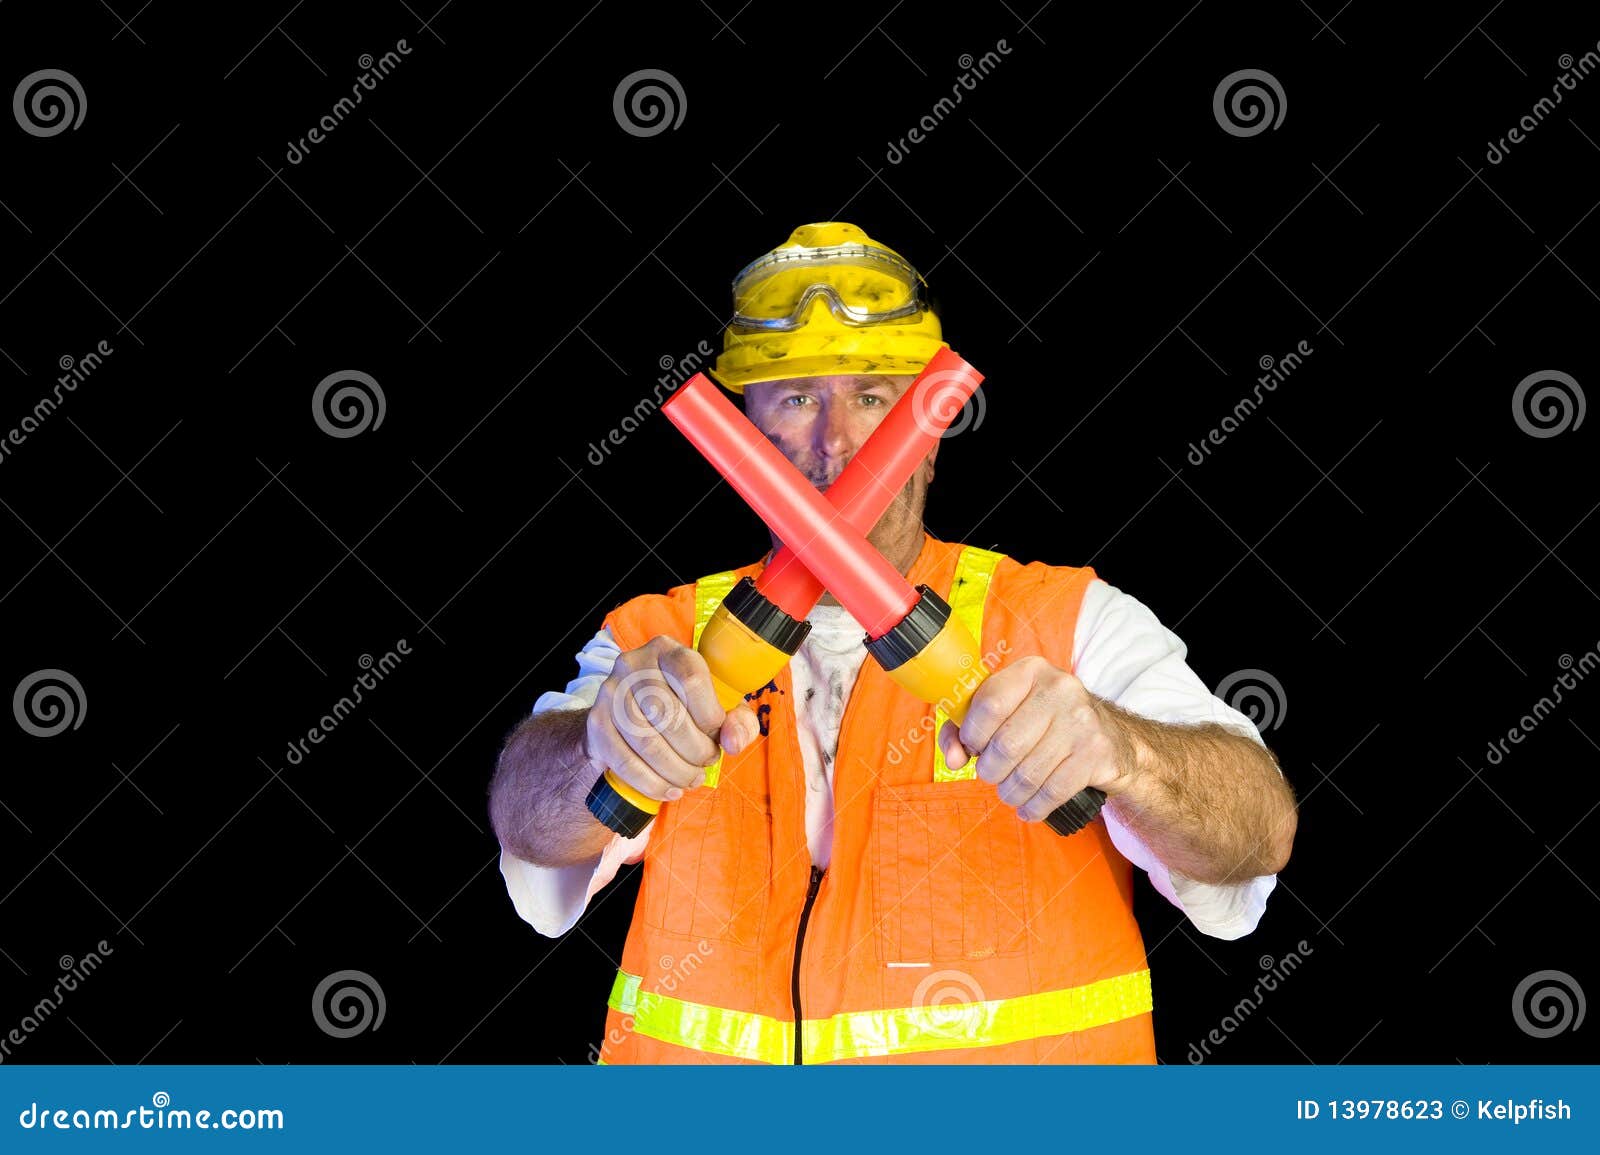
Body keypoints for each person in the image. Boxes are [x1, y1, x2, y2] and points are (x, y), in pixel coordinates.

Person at [489, 222, 1298, 1064]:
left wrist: (1123, 751)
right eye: (796, 398)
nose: (837, 443)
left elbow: (1257, 832)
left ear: (933, 434)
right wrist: (598, 746)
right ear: (746, 431)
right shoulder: (655, 639)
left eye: (874, 396)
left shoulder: (1071, 621)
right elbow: (527, 827)